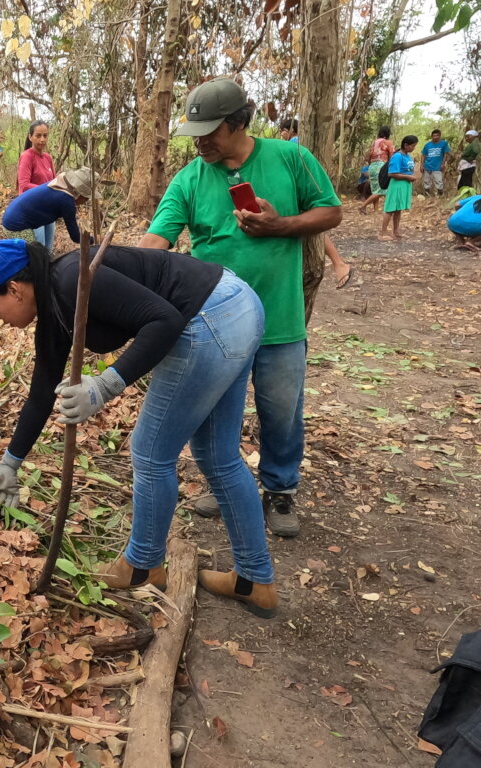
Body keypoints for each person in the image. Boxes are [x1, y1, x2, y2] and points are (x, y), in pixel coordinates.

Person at [0, 240, 278, 616]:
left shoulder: (71, 279)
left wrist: (105, 385)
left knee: (150, 453)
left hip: (210, 317)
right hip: (236, 306)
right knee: (219, 456)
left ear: (15, 289)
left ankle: (142, 567)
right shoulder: (55, 303)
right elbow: (41, 392)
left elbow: (164, 320)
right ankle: (254, 580)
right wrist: (10, 462)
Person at [138, 78, 342, 538]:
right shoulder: (189, 178)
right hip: (215, 325)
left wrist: (281, 225)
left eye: (211, 131)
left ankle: (280, 489)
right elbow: (156, 240)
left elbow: (331, 212)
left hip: (280, 316)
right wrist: (128, 274)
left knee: (282, 409)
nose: (202, 141)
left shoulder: (290, 158)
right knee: (214, 411)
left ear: (239, 123)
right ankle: (224, 478)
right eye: (195, 132)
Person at [275, 118, 352, 289]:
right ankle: (338, 262)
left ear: (291, 130)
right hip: (307, 191)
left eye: (284, 130)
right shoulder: (295, 145)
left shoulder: (293, 146)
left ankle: (338, 262)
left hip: (303, 193)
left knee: (312, 228)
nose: (282, 134)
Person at [1, 168, 91, 245]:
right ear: (81, 193)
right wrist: (93, 240)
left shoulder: (60, 184)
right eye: (86, 198)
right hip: (15, 224)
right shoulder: (66, 200)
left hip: (13, 213)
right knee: (33, 257)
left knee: (45, 254)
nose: (85, 201)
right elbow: (75, 237)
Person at [17, 120, 57, 249]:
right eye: (38, 135)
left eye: (45, 135)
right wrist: (47, 189)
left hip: (48, 208)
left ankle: (48, 269)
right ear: (30, 137)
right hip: (33, 208)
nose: (42, 139)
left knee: (49, 249)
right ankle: (38, 269)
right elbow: (23, 185)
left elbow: (54, 182)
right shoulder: (27, 156)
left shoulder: (48, 158)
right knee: (39, 247)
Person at [380, 135, 418, 241]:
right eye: (412, 146)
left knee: (398, 209)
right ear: (406, 145)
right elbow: (392, 173)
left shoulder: (407, 156)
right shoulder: (397, 156)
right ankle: (383, 232)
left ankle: (396, 231)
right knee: (390, 208)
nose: (413, 148)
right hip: (397, 185)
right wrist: (407, 177)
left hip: (405, 185)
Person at [359, 126, 395, 214]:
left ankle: (376, 210)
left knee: (375, 189)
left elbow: (368, 157)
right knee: (381, 190)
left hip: (372, 166)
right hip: (381, 166)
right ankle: (363, 206)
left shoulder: (374, 143)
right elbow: (392, 156)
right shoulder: (388, 142)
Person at [421, 129, 450, 196]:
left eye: (437, 135)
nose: (435, 137)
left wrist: (443, 163)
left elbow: (446, 154)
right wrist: (421, 165)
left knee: (438, 181)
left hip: (437, 166)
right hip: (427, 165)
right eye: (434, 136)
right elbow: (423, 155)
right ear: (431, 136)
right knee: (426, 181)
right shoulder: (427, 145)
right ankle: (427, 194)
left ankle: (440, 195)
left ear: (440, 136)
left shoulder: (444, 143)